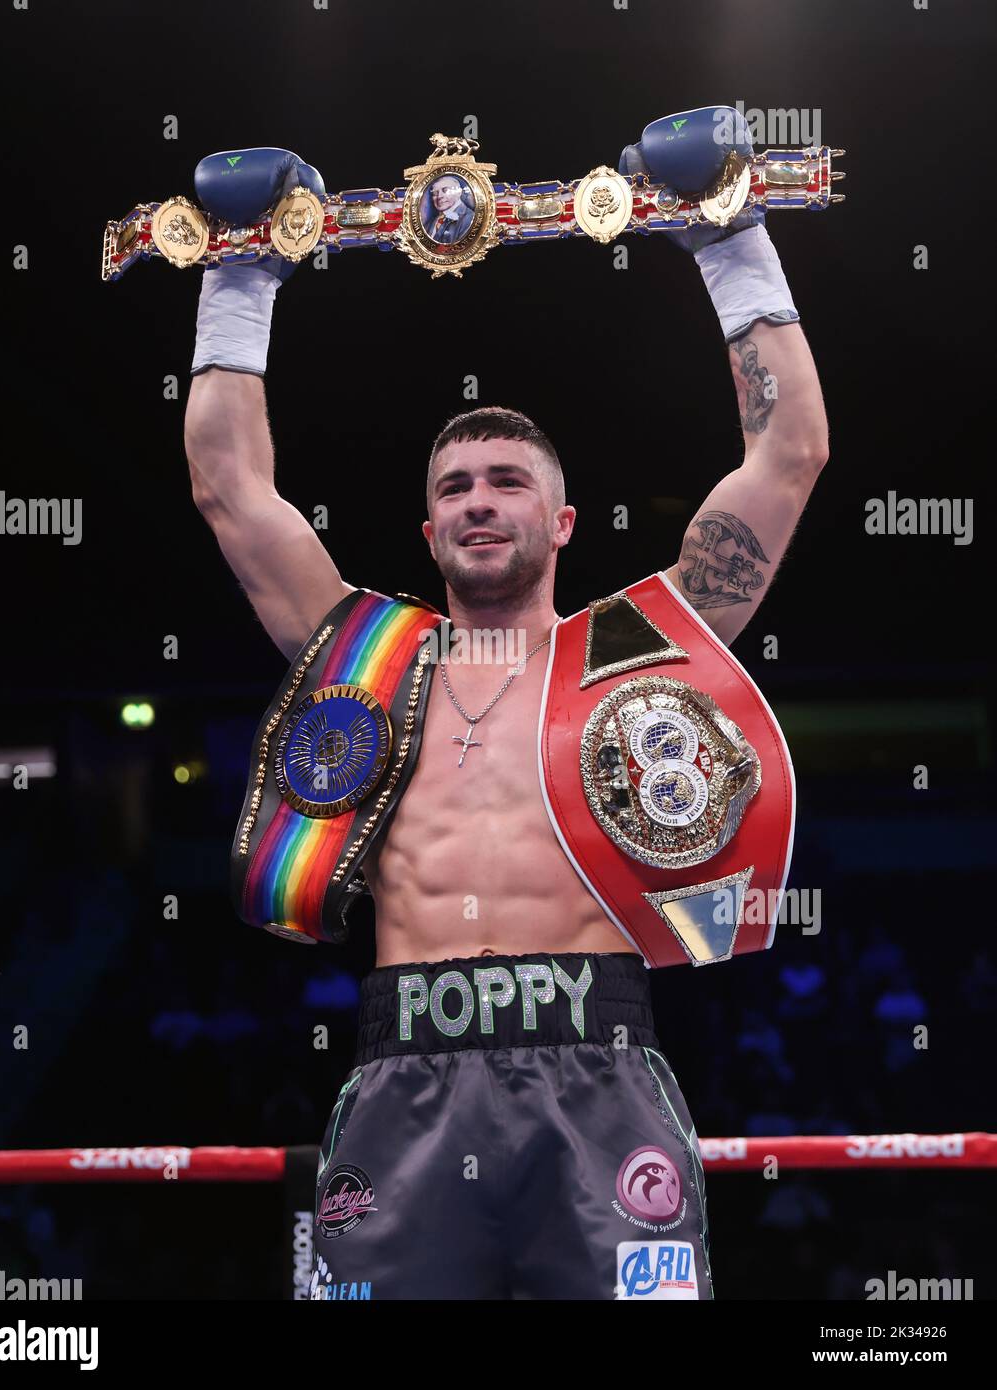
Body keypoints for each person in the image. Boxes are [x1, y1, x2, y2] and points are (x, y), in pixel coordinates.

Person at [183, 111, 828, 1300]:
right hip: (403, 1083)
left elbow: (788, 453)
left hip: (601, 1080)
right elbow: (229, 486)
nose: (481, 502)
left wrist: (730, 239)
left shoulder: (637, 650)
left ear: (561, 521)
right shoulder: (366, 653)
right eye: (455, 489)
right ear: (428, 529)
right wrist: (240, 271)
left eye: (509, 482)